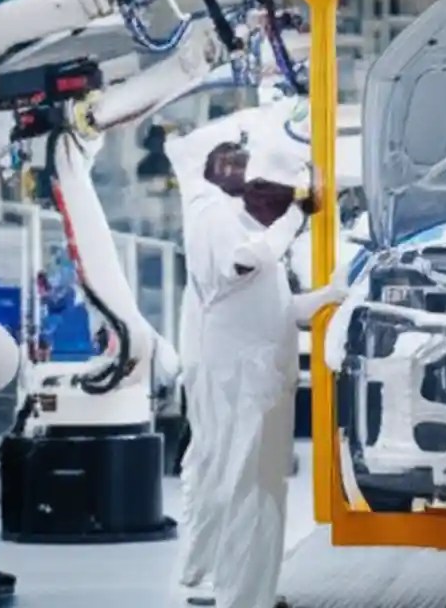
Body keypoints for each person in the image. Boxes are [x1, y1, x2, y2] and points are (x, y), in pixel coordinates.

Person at [187, 146, 347, 608]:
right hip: (243, 386)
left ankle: (251, 594)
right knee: (247, 494)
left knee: (265, 495)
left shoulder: (256, 238)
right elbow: (246, 262)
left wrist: (330, 294)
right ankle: (240, 599)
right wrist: (295, 218)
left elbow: (284, 310)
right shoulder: (217, 218)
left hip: (263, 385)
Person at [165, 123, 250, 605]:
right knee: (215, 464)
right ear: (209, 169)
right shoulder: (209, 212)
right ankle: (205, 571)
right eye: (227, 162)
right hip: (212, 363)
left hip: (220, 362)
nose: (236, 170)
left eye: (240, 162)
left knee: (218, 463)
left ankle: (208, 570)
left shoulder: (226, 213)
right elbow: (233, 274)